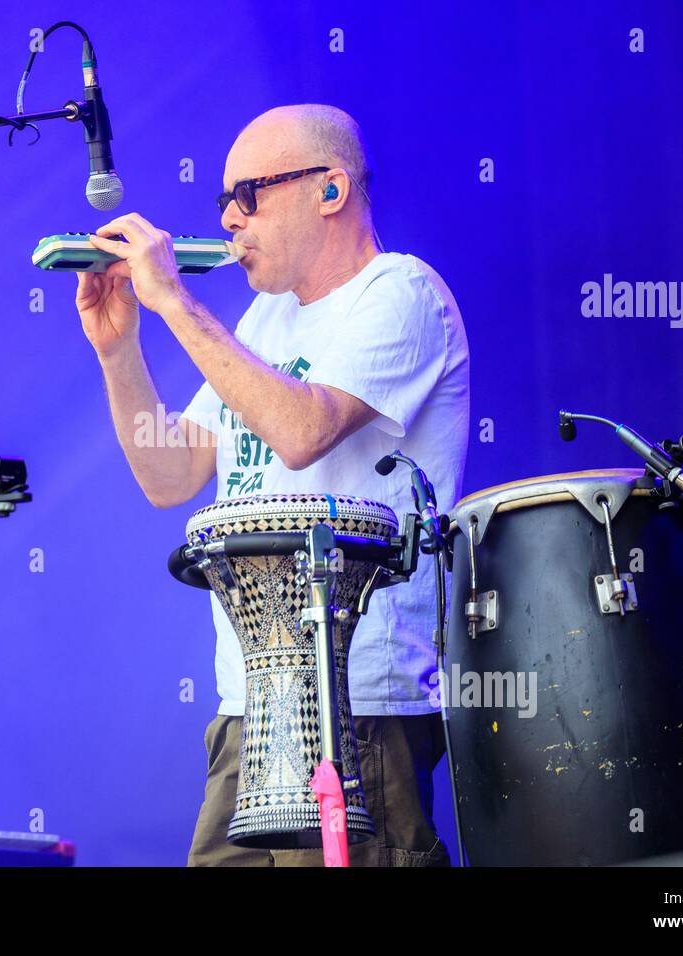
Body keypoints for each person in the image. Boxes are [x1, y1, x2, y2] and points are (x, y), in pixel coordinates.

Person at [75, 104, 470, 866]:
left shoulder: (401, 292)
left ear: (330, 190)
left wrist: (176, 304)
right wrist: (119, 349)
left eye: (248, 194)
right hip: (250, 704)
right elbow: (170, 474)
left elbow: (302, 431)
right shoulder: (262, 322)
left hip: (356, 697)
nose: (227, 218)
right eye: (222, 199)